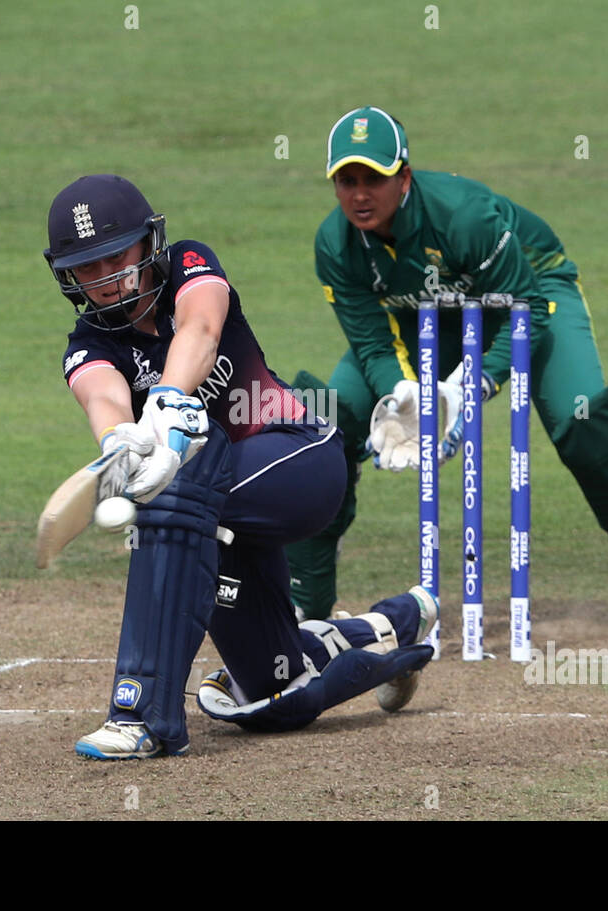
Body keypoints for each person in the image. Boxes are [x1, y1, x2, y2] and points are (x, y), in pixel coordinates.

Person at [43, 174, 437, 760]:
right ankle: (391, 626)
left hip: (299, 458)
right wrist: (121, 445)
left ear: (148, 243)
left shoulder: (189, 263)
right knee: (274, 692)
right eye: (86, 268)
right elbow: (104, 401)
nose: (103, 278)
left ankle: (142, 713)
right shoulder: (88, 344)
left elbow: (200, 326)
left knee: (175, 488)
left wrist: (171, 402)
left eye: (114, 257)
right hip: (222, 518)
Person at [285, 107, 608, 631]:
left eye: (374, 179)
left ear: (404, 177)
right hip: (423, 312)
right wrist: (408, 399)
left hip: (528, 294)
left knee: (586, 421)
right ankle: (299, 597)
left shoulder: (463, 217)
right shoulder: (335, 244)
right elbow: (373, 342)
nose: (360, 195)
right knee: (325, 422)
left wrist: (465, 390)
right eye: (346, 180)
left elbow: (527, 309)